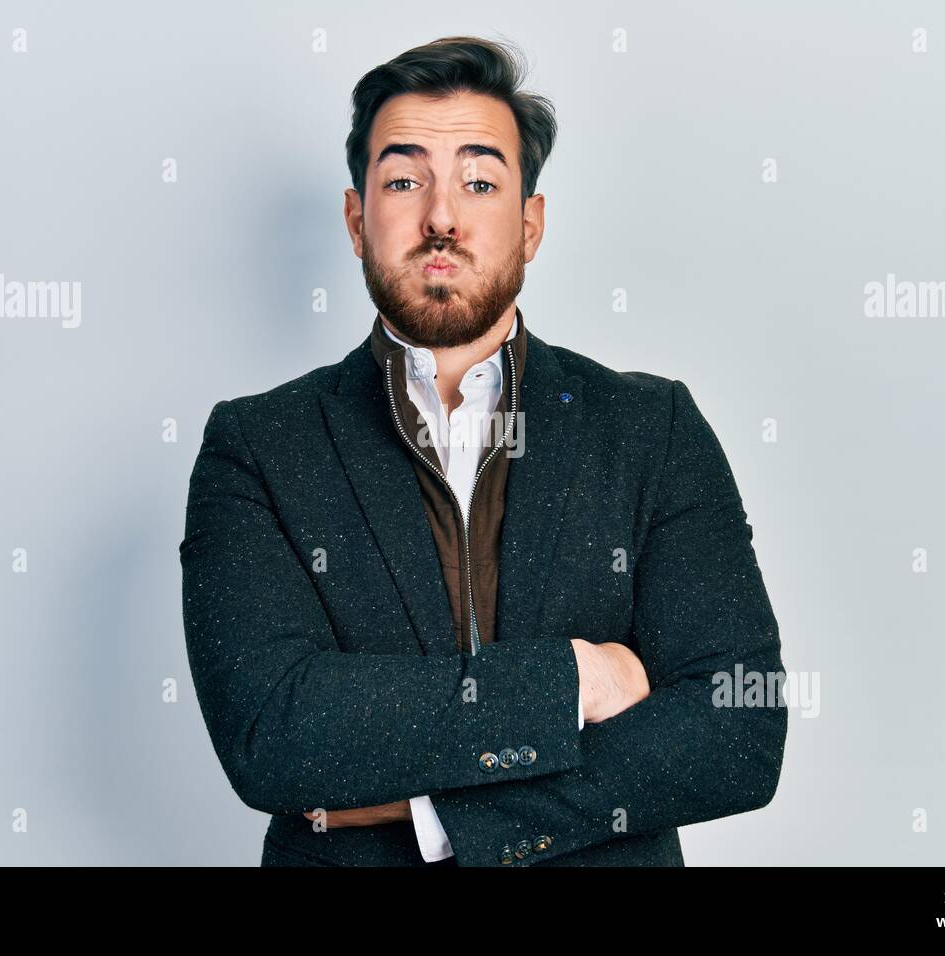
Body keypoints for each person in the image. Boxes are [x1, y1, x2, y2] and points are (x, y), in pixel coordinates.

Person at [179, 35, 787, 867]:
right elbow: (275, 734)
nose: (441, 216)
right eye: (403, 179)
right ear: (357, 220)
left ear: (530, 225)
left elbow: (736, 730)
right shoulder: (256, 446)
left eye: (478, 180)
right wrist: (572, 678)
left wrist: (433, 813)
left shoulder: (652, 426)